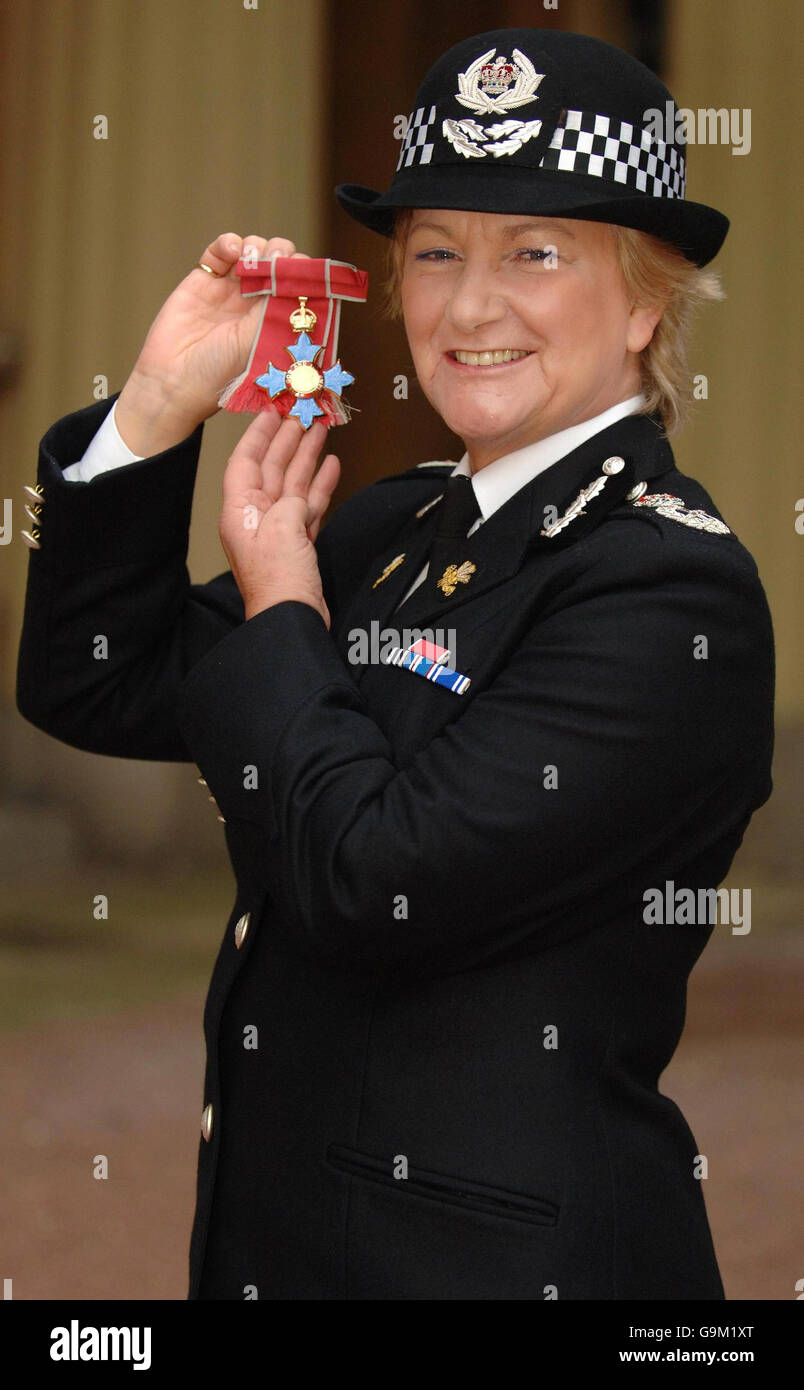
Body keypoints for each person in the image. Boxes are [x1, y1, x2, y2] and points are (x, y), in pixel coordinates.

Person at [16, 27, 774, 1300]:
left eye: (536, 252)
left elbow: (374, 878)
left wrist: (281, 609)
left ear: (647, 298)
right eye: (436, 252)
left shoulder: (668, 589)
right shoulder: (389, 527)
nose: (472, 306)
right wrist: (156, 404)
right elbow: (92, 675)